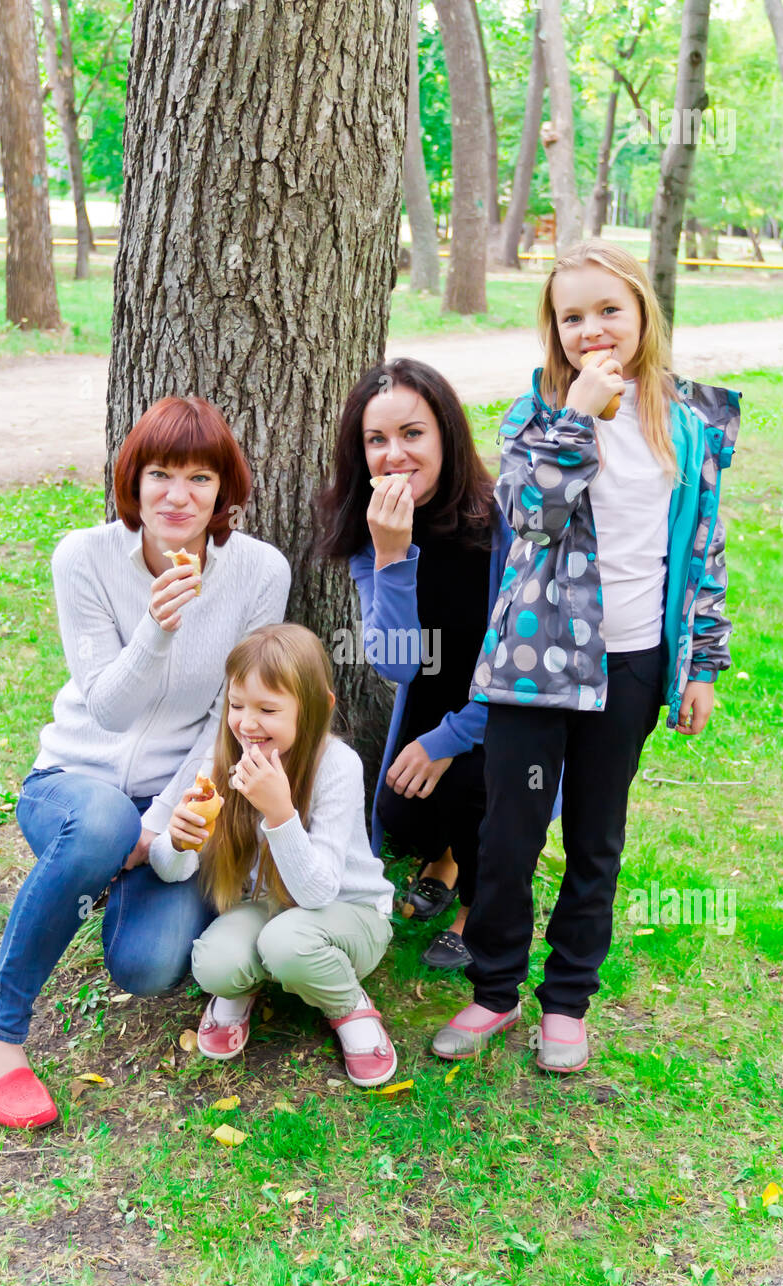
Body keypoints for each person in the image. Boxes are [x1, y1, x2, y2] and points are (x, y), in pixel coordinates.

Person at [431, 238, 740, 1071]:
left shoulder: (691, 425)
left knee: (596, 838)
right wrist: (580, 418)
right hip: (538, 667)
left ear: (643, 313)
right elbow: (532, 515)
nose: (593, 329)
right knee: (511, 836)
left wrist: (701, 664)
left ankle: (567, 1000)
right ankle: (494, 991)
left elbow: (703, 553)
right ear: (553, 329)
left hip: (634, 665)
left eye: (610, 310)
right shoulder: (534, 417)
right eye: (573, 316)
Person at [0, 396, 290, 1129]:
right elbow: (106, 707)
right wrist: (156, 627)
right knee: (103, 822)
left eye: (201, 478)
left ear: (225, 492)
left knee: (147, 966)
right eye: (161, 475)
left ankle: (108, 873)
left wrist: (160, 827)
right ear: (132, 483)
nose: (178, 495)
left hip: (172, 802)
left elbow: (228, 720)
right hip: (72, 788)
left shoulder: (259, 572)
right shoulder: (83, 557)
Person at [318, 358, 516, 971]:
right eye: (376, 439)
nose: (394, 454)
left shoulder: (499, 520)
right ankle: (445, 858)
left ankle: (477, 908)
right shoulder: (372, 532)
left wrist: (454, 738)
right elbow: (397, 666)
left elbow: (520, 660)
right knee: (399, 813)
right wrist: (393, 554)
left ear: (445, 436)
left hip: (503, 707)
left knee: (463, 786)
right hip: (427, 699)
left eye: (412, 434)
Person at [149, 624, 397, 1088]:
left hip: (348, 916)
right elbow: (168, 869)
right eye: (236, 705)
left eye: (267, 709)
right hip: (268, 910)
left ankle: (349, 1006)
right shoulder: (222, 761)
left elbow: (318, 891)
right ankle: (248, 982)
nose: (246, 723)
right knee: (215, 964)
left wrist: (280, 813)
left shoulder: (336, 765)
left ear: (318, 707)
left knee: (287, 943)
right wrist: (179, 843)